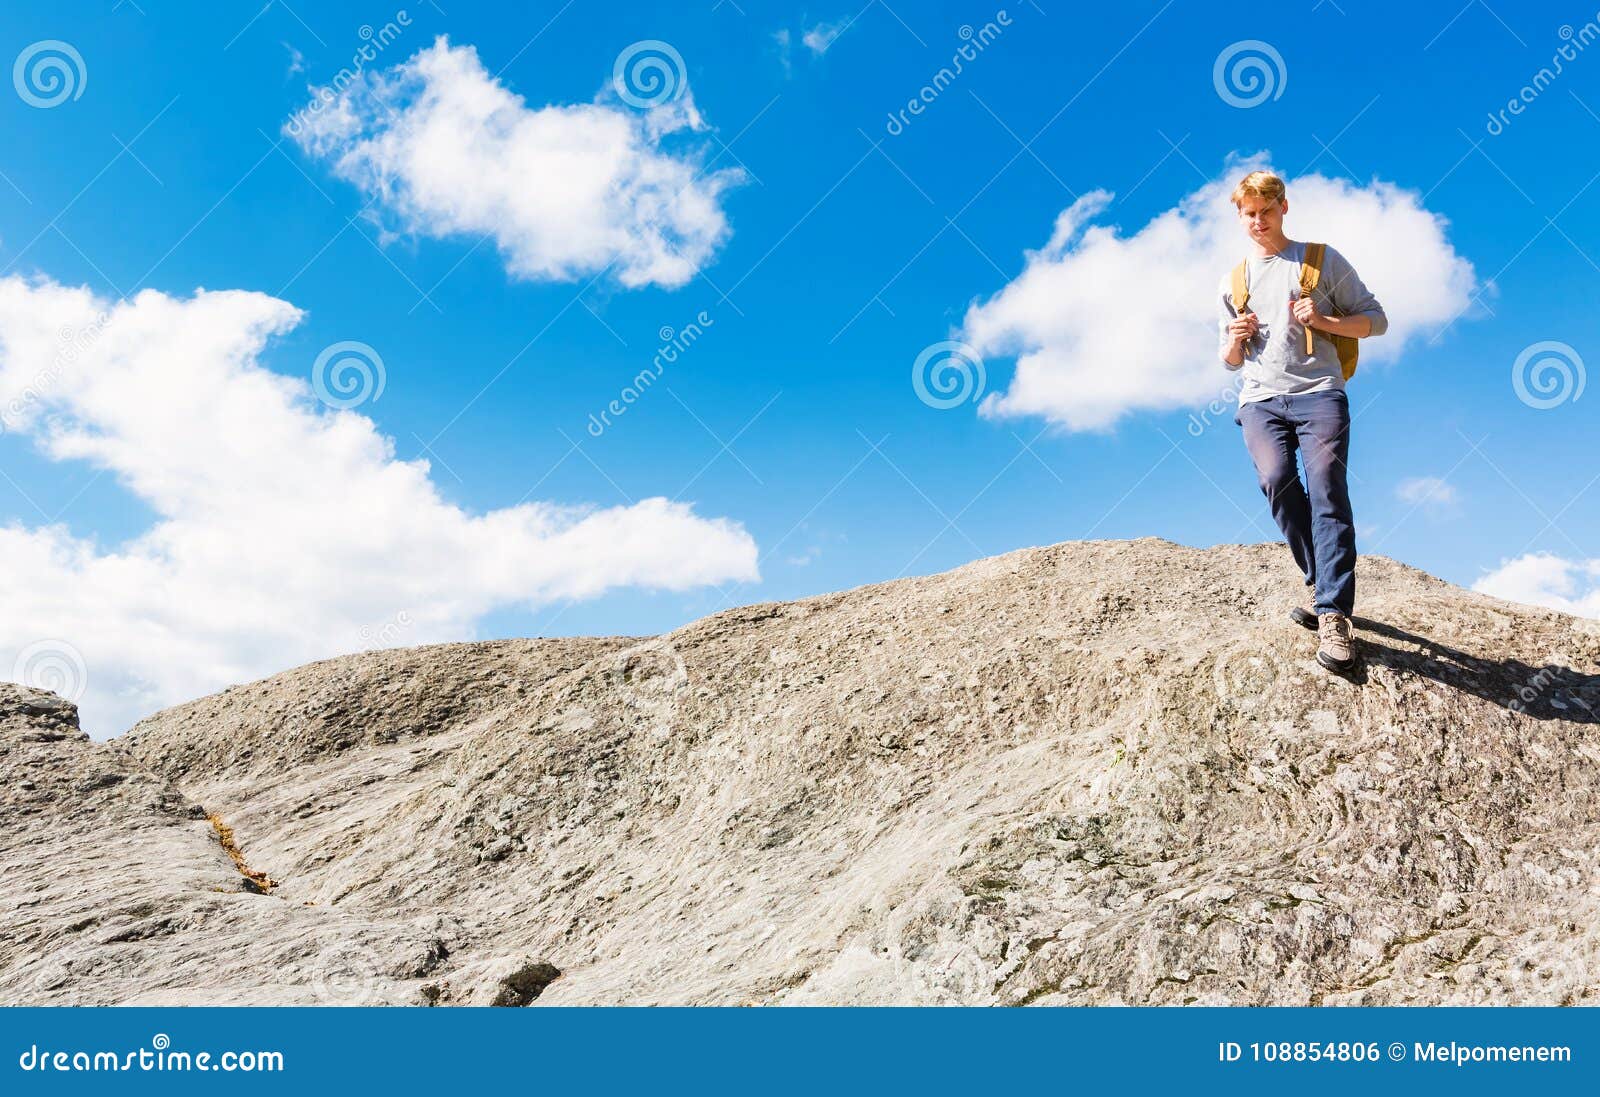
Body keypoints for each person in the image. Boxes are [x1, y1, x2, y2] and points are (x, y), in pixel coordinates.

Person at [1217, 170, 1387, 673]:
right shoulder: (1234, 280)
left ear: (1283, 208)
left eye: (1266, 211)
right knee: (1276, 480)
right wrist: (1235, 339)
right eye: (1249, 214)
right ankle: (1320, 579)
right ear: (1240, 216)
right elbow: (1229, 361)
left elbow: (1376, 320)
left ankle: (1333, 614)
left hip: (1320, 395)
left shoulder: (1320, 260)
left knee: (1327, 488)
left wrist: (1326, 321)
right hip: (1260, 401)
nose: (1258, 221)